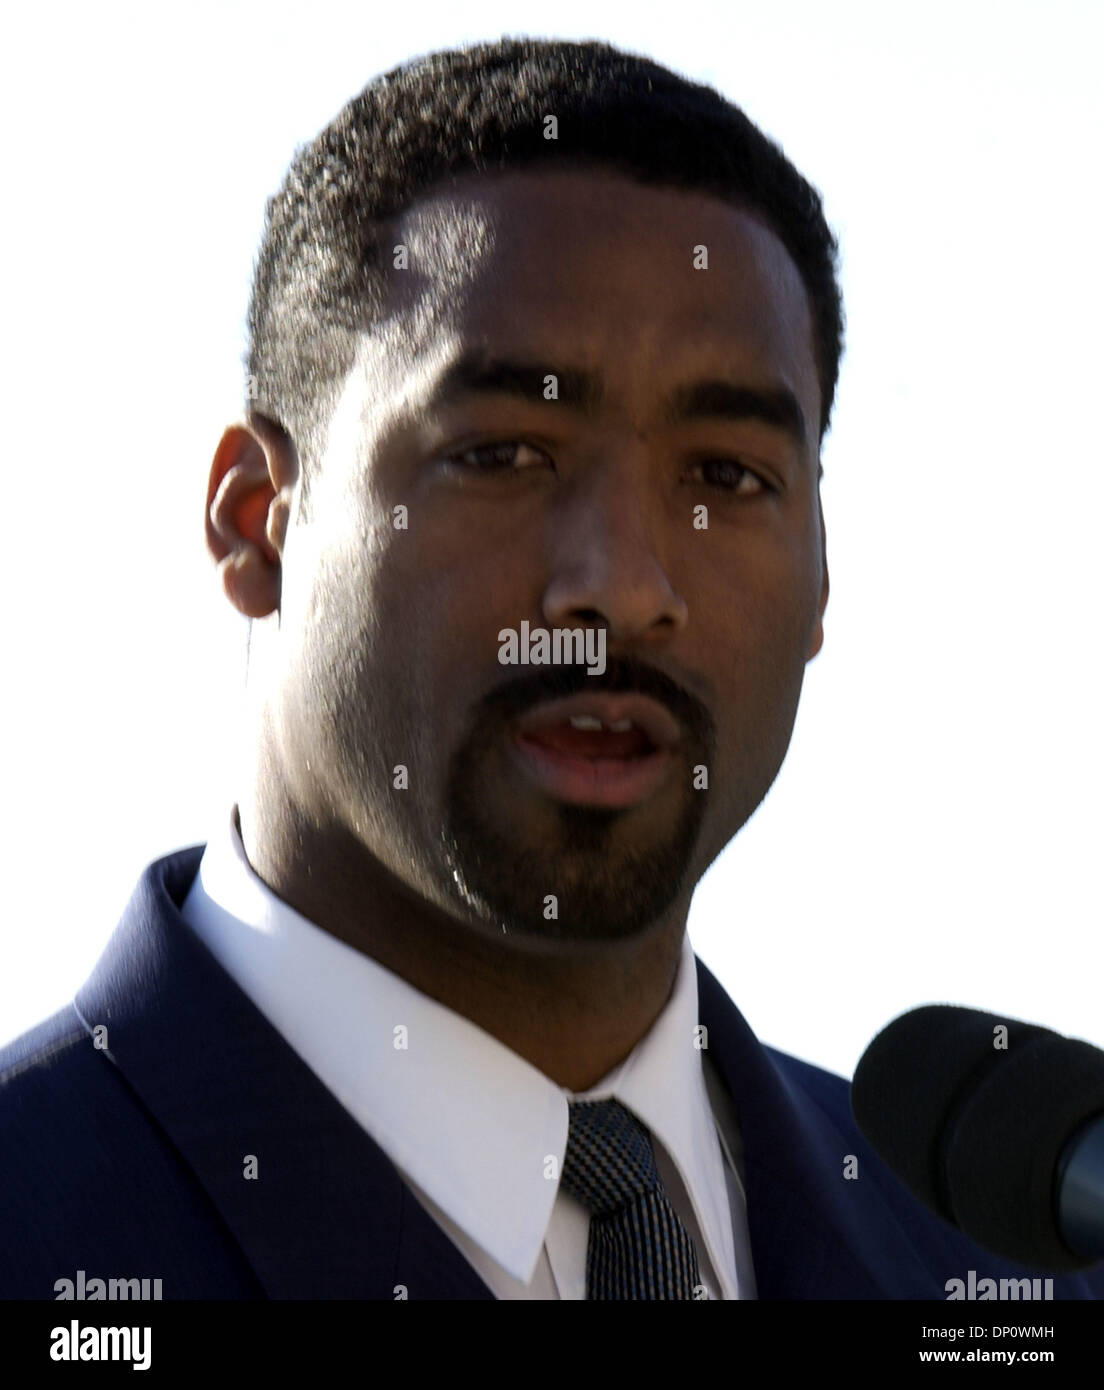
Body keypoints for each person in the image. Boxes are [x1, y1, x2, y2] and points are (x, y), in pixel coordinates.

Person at [1, 35, 1099, 1301]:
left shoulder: (1019, 1272)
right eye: (506, 453)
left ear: (821, 576)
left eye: (726, 479)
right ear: (258, 523)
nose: (626, 585)